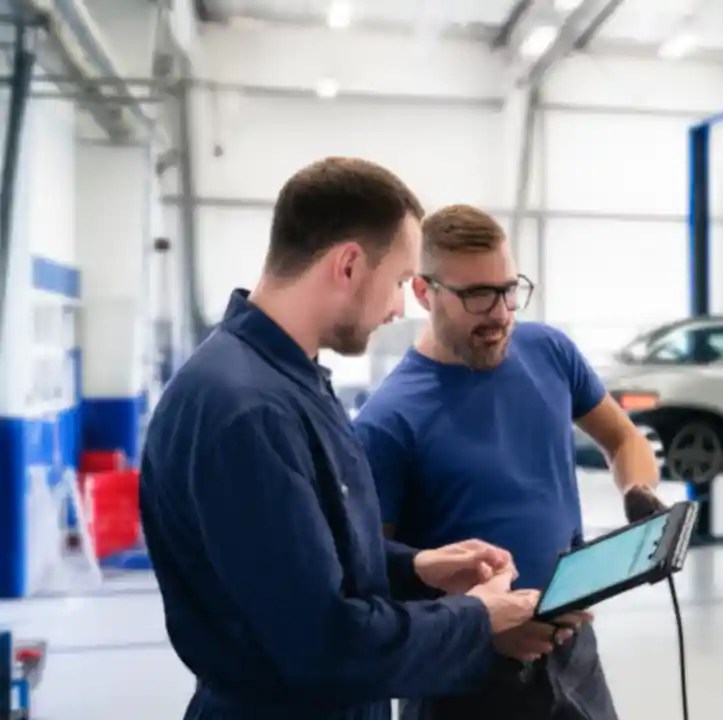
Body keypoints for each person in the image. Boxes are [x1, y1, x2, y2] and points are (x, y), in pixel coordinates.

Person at [139, 159, 540, 720]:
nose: (400, 307)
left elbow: (301, 557)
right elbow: (326, 644)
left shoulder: (285, 379)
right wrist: (477, 619)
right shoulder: (248, 412)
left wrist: (415, 566)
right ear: (349, 264)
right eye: (400, 281)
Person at [353, 204, 667, 719]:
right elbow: (376, 579)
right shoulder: (387, 422)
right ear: (423, 292)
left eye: (507, 289)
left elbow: (623, 439)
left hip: (574, 652)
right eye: (477, 295)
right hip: (467, 682)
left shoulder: (550, 352)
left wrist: (638, 491)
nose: (500, 313)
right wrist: (482, 627)